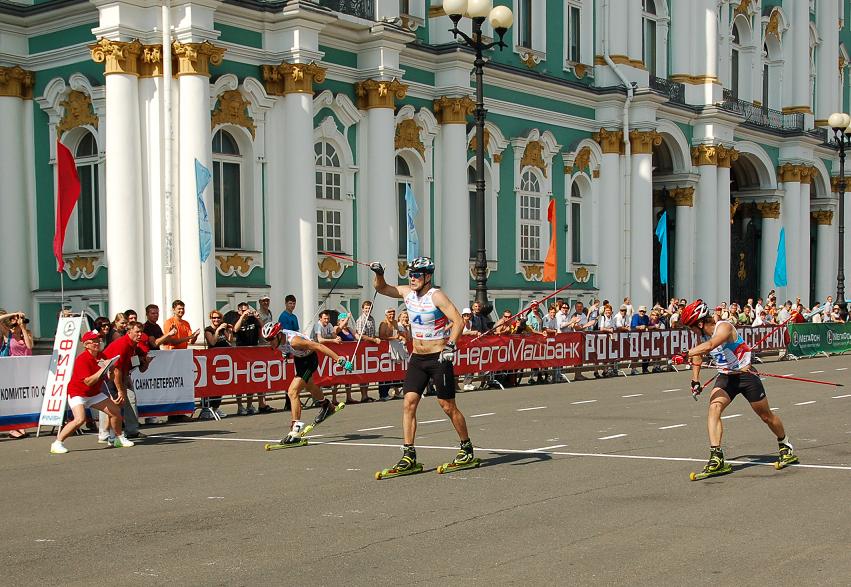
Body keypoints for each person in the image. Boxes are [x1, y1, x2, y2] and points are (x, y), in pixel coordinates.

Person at [370, 256, 475, 475]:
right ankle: (409, 455)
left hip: (438, 357)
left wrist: (451, 345)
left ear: (428, 276)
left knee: (447, 406)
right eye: (410, 274)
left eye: (417, 275)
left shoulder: (436, 296)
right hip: (417, 358)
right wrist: (379, 273)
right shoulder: (407, 293)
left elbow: (458, 321)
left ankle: (466, 448)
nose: (412, 278)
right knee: (408, 403)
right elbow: (382, 288)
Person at [673, 299, 797, 478]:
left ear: (699, 323)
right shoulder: (701, 335)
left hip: (746, 376)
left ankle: (785, 444)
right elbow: (699, 354)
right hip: (726, 378)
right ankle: (716, 457)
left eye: (690, 327)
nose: (690, 331)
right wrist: (695, 380)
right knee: (714, 408)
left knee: (766, 416)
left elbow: (710, 346)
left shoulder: (724, 327)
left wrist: (684, 354)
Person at [260, 322, 352, 445]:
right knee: (309, 386)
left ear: (278, 335)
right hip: (300, 359)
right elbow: (286, 348)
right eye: (267, 340)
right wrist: (286, 352)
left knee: (292, 391)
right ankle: (327, 406)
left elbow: (318, 346)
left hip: (309, 360)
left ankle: (295, 431)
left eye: (271, 339)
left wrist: (339, 359)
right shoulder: (279, 340)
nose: (269, 342)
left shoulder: (295, 341)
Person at [50, 331, 134, 453]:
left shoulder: (102, 355)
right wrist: (103, 369)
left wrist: (110, 369)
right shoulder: (82, 359)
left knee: (115, 411)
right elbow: (88, 382)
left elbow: (109, 378)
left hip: (94, 393)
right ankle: (57, 443)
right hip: (78, 393)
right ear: (86, 345)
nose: (97, 343)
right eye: (93, 341)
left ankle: (118, 438)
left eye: (98, 341)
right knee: (80, 419)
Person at [99, 322, 146, 441]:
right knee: (110, 404)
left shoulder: (134, 345)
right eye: (137, 332)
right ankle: (105, 434)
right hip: (106, 376)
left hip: (119, 375)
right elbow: (116, 370)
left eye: (141, 332)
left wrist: (126, 378)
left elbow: (136, 367)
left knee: (129, 398)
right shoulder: (123, 345)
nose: (140, 335)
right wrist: (120, 389)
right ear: (129, 332)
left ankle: (131, 430)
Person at [234, 301, 263, 415]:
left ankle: (249, 405)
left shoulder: (253, 319)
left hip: (253, 352)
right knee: (240, 381)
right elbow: (235, 329)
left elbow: (262, 326)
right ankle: (240, 406)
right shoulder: (236, 318)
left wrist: (257, 317)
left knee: (251, 379)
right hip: (241, 353)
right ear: (239, 311)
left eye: (246, 310)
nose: (245, 312)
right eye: (242, 310)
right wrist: (242, 317)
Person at [201, 310, 232, 419]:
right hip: (212, 360)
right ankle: (207, 408)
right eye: (214, 318)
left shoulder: (223, 330)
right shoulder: (208, 330)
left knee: (221, 385)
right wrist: (218, 330)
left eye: (218, 318)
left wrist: (229, 330)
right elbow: (213, 342)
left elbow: (229, 340)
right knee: (211, 385)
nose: (216, 320)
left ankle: (216, 407)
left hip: (223, 360)